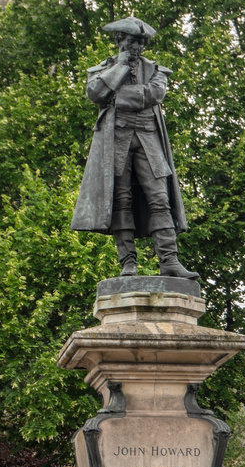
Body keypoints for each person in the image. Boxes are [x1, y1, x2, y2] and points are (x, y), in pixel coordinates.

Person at [71, 16, 198, 279]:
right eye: (130, 40)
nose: (135, 46)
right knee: (121, 200)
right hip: (116, 141)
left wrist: (117, 97)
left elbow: (155, 94)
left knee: (160, 199)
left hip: (149, 140)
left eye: (140, 42)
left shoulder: (156, 70)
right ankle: (128, 262)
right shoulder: (102, 70)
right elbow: (96, 94)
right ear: (119, 40)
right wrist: (119, 69)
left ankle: (169, 261)